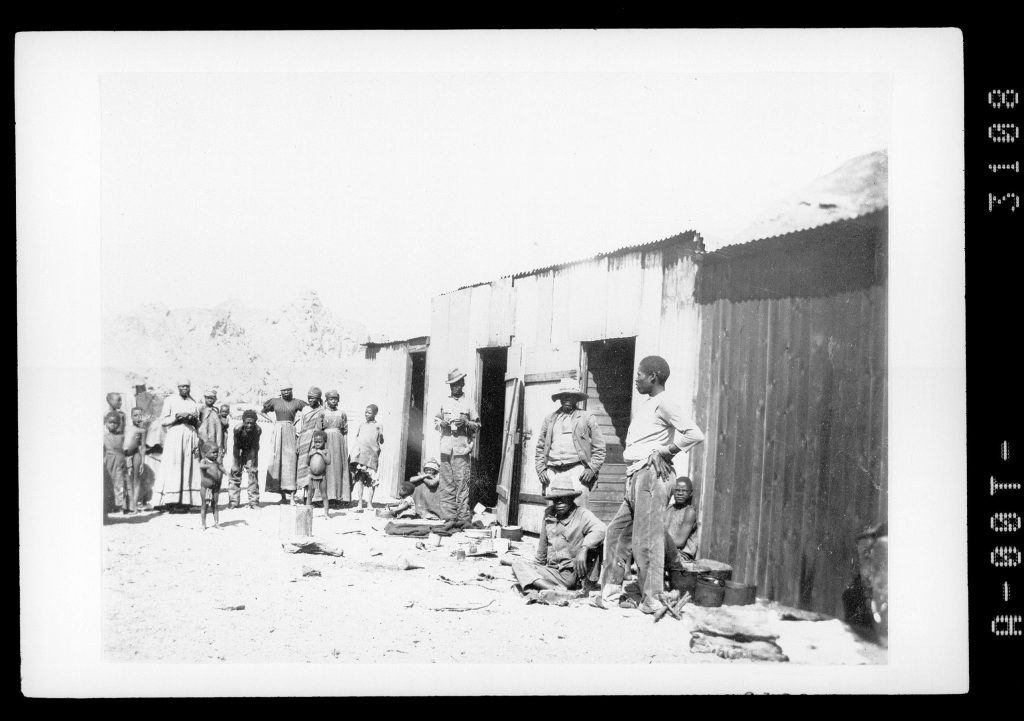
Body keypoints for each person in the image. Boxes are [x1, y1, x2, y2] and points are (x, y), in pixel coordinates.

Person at [598, 356, 705, 614]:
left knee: (647, 538)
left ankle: (653, 598)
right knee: (617, 532)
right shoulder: (648, 405)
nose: (635, 379)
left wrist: (667, 452)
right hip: (635, 474)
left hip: (652, 474)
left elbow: (694, 433)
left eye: (639, 375)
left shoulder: (665, 403)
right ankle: (610, 593)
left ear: (653, 376)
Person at [510, 477, 607, 592]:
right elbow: (543, 547)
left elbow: (601, 529)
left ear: (571, 499)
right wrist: (536, 567)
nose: (559, 503)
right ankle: (551, 587)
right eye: (556, 500)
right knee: (519, 566)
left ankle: (556, 589)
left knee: (520, 569)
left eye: (564, 499)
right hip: (552, 570)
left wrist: (584, 548)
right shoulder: (549, 514)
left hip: (571, 572)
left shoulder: (582, 514)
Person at [534, 377, 606, 509]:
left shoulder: (586, 417)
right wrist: (541, 470)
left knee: (579, 511)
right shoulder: (549, 419)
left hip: (577, 471)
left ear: (577, 398)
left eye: (571, 396)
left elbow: (599, 447)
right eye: (564, 396)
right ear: (560, 398)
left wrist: (591, 469)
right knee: (553, 510)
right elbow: (540, 447)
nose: (568, 399)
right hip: (553, 471)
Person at [433, 368, 480, 528]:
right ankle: (449, 518)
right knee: (447, 485)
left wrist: (466, 423)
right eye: (452, 385)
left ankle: (462, 519)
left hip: (461, 450)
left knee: (462, 485)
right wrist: (441, 424)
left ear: (463, 384)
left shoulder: (469, 403)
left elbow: (477, 425)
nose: (455, 387)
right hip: (446, 449)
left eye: (457, 384)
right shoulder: (444, 402)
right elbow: (436, 421)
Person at [153, 379, 202, 509]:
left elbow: (198, 423)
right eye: (182, 386)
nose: (185, 389)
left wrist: (192, 418)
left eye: (187, 386)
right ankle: (171, 500)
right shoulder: (170, 400)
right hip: (175, 436)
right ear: (178, 387)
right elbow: (163, 421)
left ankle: (186, 500)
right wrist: (176, 417)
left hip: (190, 436)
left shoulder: (193, 402)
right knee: (175, 465)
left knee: (188, 466)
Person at [261, 384, 307, 504]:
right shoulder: (275, 401)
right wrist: (272, 420)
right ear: (281, 391)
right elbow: (262, 411)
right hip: (278, 432)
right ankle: (283, 497)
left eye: (288, 390)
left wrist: (297, 420)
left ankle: (292, 497)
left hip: (290, 431)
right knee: (278, 462)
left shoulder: (296, 402)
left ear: (291, 390)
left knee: (291, 462)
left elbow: (308, 410)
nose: (286, 392)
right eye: (284, 390)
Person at [294, 387, 327, 506]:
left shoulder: (322, 410)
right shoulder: (305, 409)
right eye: (309, 398)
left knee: (314, 468)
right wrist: (298, 442)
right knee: (303, 468)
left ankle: (314, 497)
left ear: (318, 398)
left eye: (313, 398)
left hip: (316, 442)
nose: (310, 400)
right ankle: (304, 496)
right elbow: (301, 427)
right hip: (304, 441)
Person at [351, 404, 384, 512]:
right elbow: (357, 438)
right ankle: (360, 503)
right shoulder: (362, 425)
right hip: (362, 456)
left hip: (372, 456)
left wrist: (381, 434)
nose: (366, 414)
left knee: (371, 480)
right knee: (359, 479)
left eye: (369, 412)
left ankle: (369, 503)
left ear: (375, 414)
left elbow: (381, 441)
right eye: (365, 412)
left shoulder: (378, 425)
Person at [321, 390, 351, 505]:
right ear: (327, 400)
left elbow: (345, 431)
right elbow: (319, 430)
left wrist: (345, 447)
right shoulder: (323, 413)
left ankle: (338, 497)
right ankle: (325, 497)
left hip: (339, 444)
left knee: (338, 468)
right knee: (327, 467)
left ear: (338, 400)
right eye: (330, 399)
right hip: (326, 442)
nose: (333, 401)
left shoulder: (342, 413)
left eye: (335, 399)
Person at [229, 409, 262, 509]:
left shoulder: (258, 430)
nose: (249, 425)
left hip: (251, 448)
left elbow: (255, 446)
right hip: (238, 448)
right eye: (247, 423)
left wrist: (252, 463)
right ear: (243, 421)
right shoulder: (237, 429)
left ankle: (254, 502)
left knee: (253, 472)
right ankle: (233, 502)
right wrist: (237, 462)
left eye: (251, 423)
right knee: (235, 472)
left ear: (255, 422)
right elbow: (236, 446)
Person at [665, 476, 699, 564]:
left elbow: (680, 542)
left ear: (690, 493)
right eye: (677, 490)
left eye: (684, 491)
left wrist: (656, 544)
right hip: (665, 550)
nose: (680, 493)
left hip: (681, 555)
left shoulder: (689, 512)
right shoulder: (668, 509)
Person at [103, 411, 129, 519]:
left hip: (120, 461)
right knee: (109, 482)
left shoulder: (122, 436)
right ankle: (110, 505)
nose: (113, 425)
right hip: (108, 461)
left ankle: (121, 505)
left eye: (115, 423)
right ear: (105, 423)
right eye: (110, 422)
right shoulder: (103, 437)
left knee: (120, 483)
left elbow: (126, 449)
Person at [122, 407, 148, 513]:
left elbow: (142, 446)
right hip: (125, 455)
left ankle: (135, 505)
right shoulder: (126, 428)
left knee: (136, 480)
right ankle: (126, 505)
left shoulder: (142, 430)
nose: (138, 417)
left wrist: (142, 462)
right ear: (131, 416)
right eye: (135, 415)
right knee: (126, 480)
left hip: (136, 454)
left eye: (140, 415)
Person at [304, 430, 332, 519]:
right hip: (312, 476)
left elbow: (328, 462)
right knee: (309, 494)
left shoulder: (326, 451)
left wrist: (321, 454)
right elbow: (307, 463)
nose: (317, 444)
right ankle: (307, 512)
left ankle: (326, 514)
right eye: (316, 442)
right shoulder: (312, 451)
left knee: (324, 495)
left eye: (320, 442)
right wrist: (309, 455)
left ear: (324, 442)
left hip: (322, 477)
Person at [199, 441, 225, 530]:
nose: (216, 454)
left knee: (215, 505)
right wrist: (209, 466)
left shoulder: (216, 462)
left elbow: (221, 468)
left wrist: (227, 473)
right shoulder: (204, 461)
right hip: (206, 488)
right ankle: (203, 524)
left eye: (217, 452)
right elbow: (201, 466)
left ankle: (217, 523)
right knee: (204, 506)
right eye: (213, 452)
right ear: (205, 453)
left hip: (215, 487)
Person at [198, 389, 225, 459]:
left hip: (213, 437)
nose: (209, 400)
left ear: (215, 400)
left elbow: (219, 430)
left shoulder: (216, 412)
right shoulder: (201, 410)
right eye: (208, 398)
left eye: (212, 398)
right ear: (205, 398)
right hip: (203, 438)